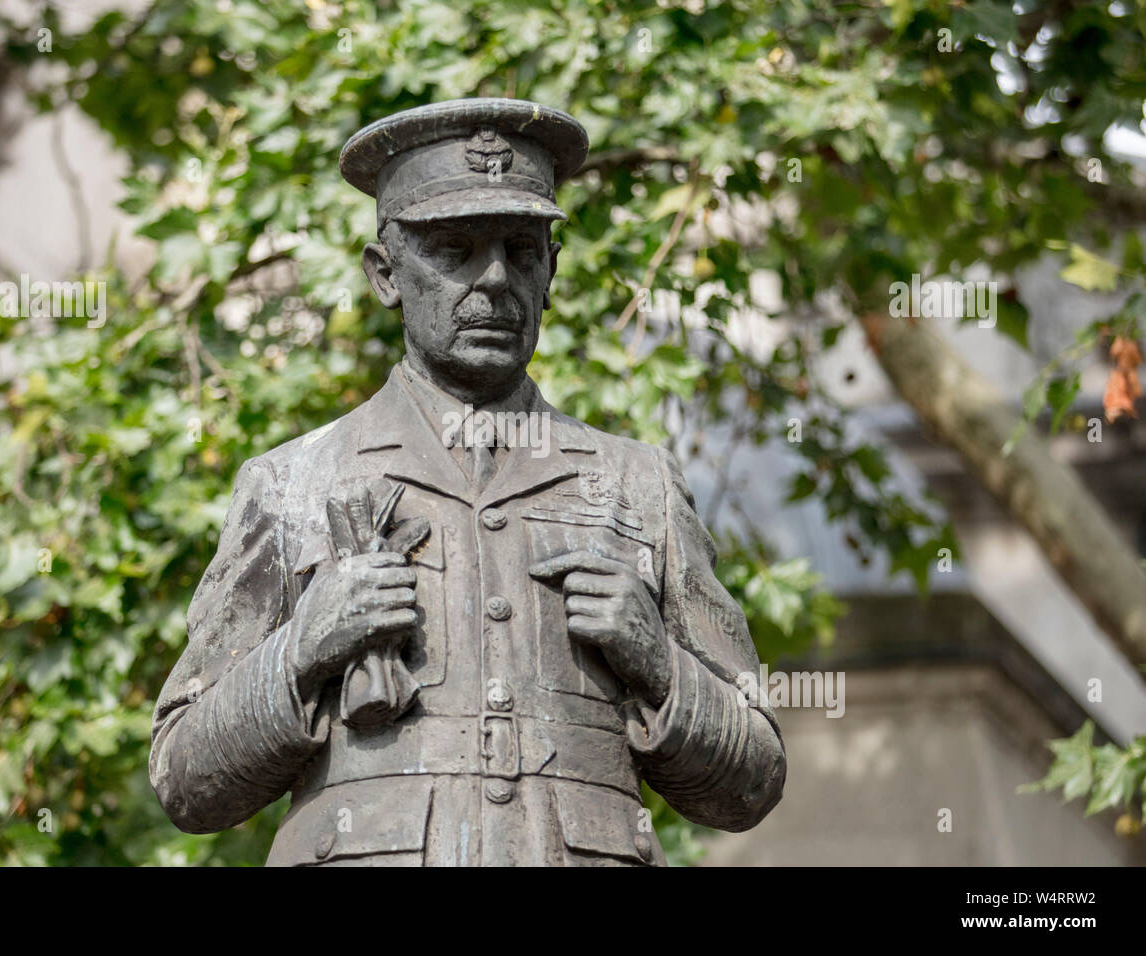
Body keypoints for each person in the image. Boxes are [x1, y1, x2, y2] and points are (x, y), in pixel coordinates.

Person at [150, 99, 785, 866]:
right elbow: (184, 780)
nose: (494, 279)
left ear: (552, 269)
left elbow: (751, 781)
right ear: (386, 275)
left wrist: (657, 660)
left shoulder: (637, 483)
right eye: (454, 249)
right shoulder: (290, 484)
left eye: (522, 250)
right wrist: (302, 651)